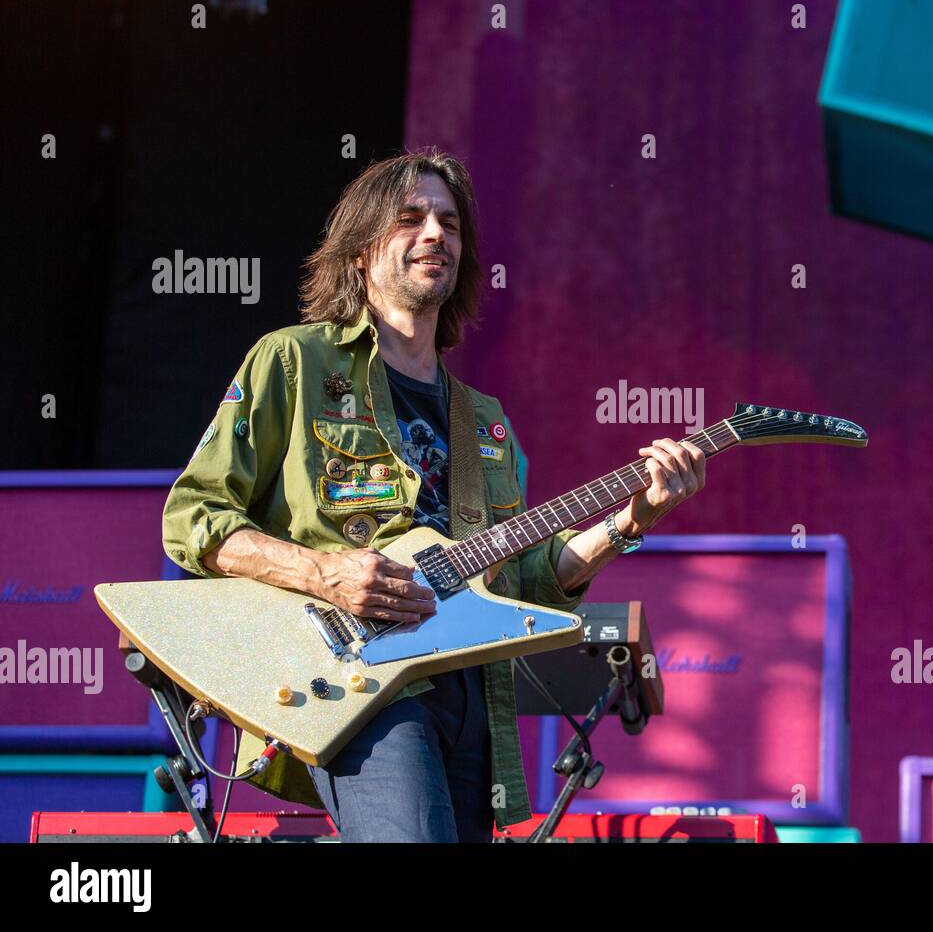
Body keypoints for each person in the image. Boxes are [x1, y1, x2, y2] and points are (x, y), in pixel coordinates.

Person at [161, 148, 706, 842]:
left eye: (449, 224)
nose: (435, 235)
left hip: (470, 695)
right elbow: (193, 518)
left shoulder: (486, 422)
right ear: (360, 252)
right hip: (356, 683)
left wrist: (630, 522)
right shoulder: (294, 361)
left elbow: (528, 583)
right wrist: (325, 572)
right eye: (410, 219)